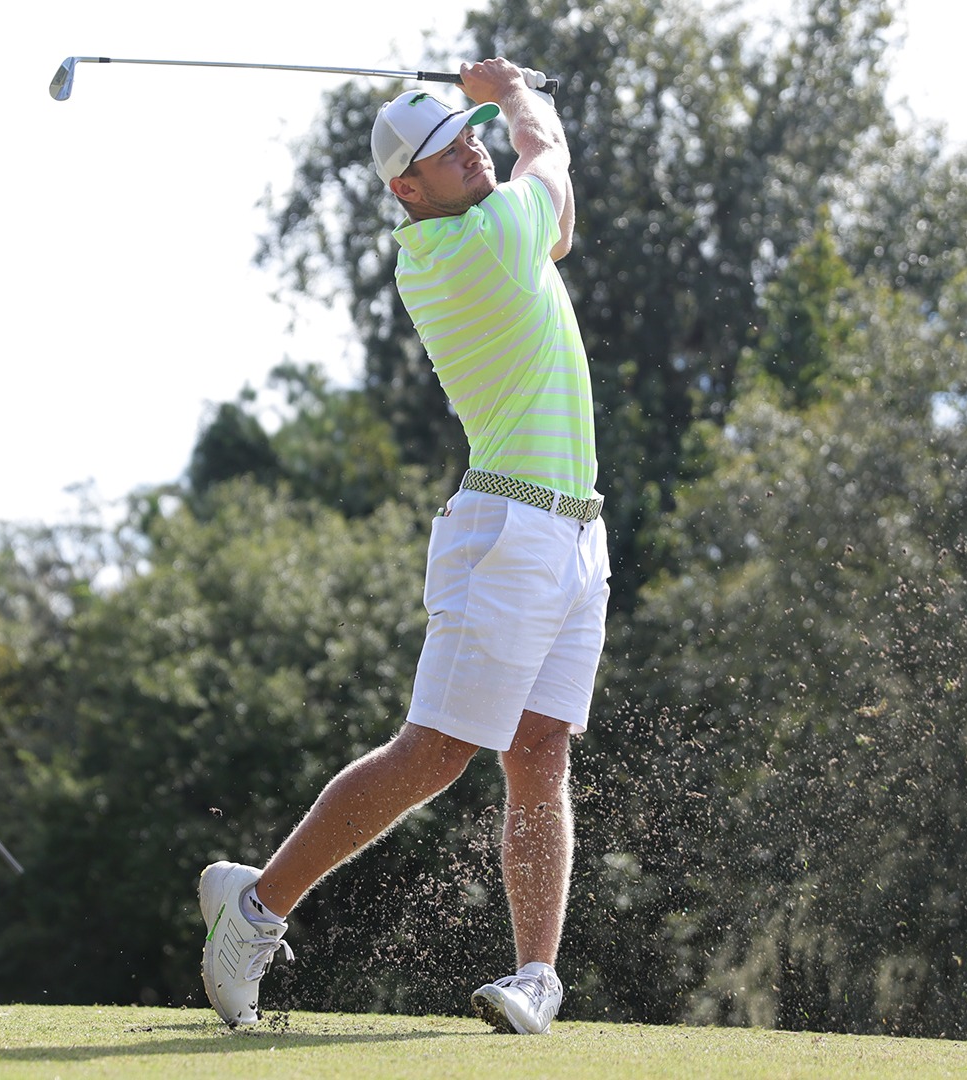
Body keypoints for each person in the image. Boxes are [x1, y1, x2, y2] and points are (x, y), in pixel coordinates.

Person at [199, 57, 607, 1036]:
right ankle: (255, 914)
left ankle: (536, 977)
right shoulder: (490, 237)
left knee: (540, 752)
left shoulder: (482, 228)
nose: (471, 152)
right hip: (506, 529)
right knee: (435, 753)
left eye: (467, 137)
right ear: (406, 188)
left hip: (574, 527)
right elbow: (549, 158)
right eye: (444, 150)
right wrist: (510, 93)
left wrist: (479, 102)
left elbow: (545, 198)